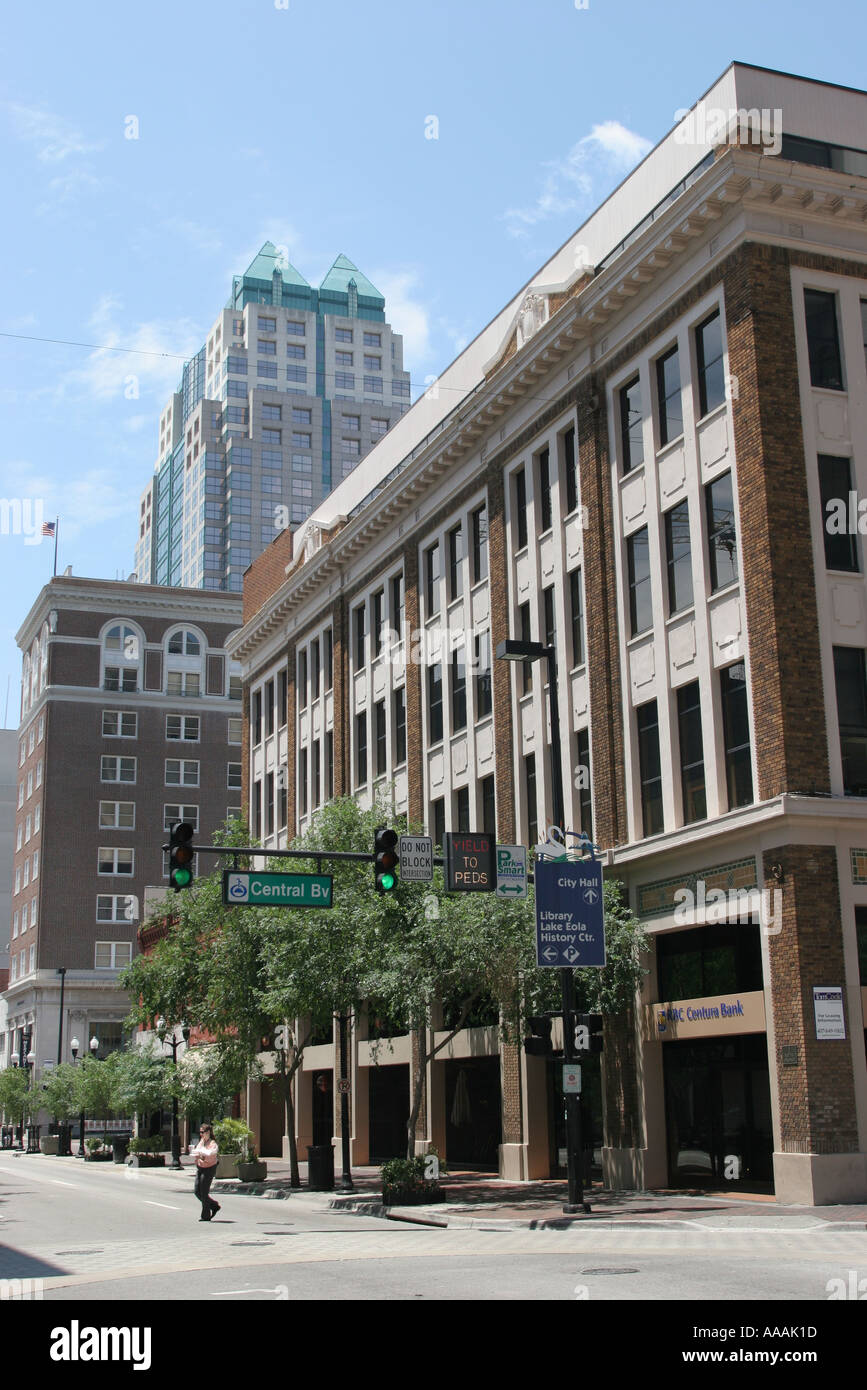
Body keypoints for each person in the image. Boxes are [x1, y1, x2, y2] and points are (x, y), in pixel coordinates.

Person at [190, 1123, 220, 1222]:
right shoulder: (202, 1142)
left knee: (203, 1191)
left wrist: (201, 1154)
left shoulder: (213, 1144)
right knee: (197, 1191)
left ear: (208, 1132)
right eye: (200, 1132)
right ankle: (214, 1205)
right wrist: (198, 1153)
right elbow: (196, 1151)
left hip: (209, 1168)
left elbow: (210, 1154)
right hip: (200, 1167)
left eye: (202, 1132)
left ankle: (205, 1215)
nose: (201, 1134)